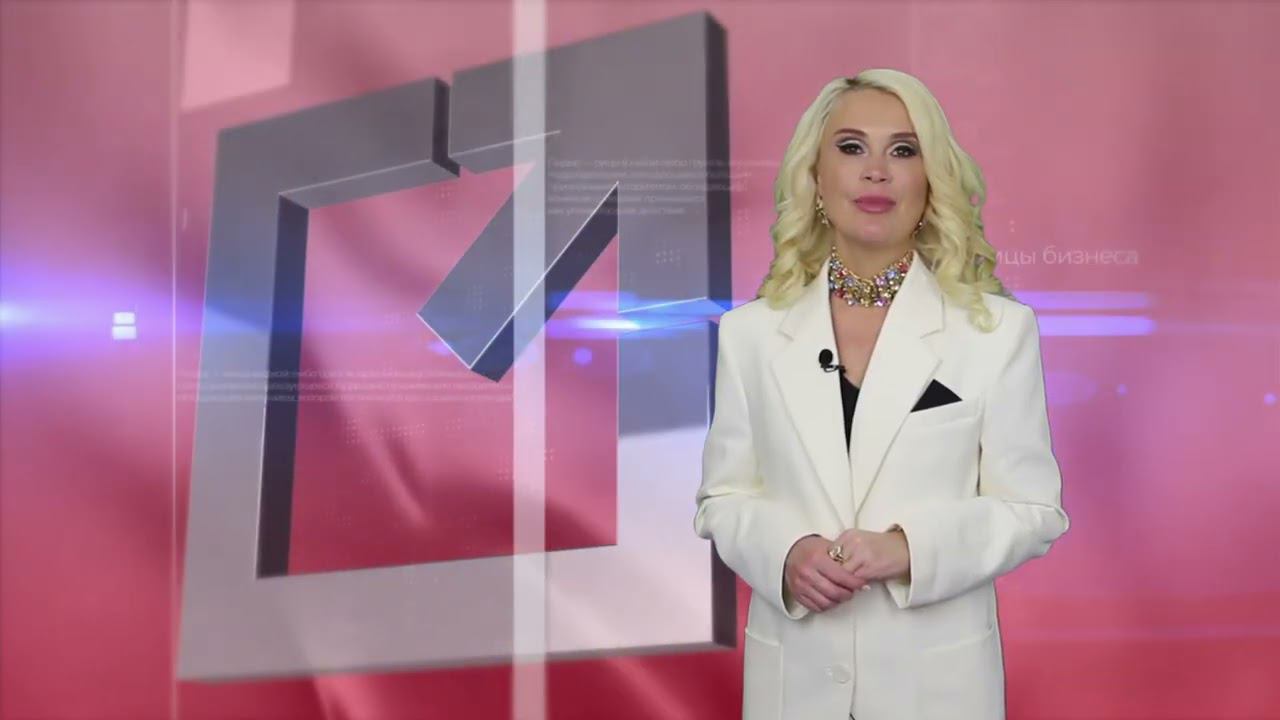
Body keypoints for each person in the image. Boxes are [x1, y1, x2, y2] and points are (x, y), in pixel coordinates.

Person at [693, 68, 1070, 720]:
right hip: (794, 689)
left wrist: (908, 548)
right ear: (815, 176)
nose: (876, 171)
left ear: (931, 180)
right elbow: (722, 501)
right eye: (851, 147)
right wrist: (785, 555)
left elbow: (1033, 510)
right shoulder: (749, 334)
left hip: (937, 690)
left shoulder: (997, 332)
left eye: (903, 150)